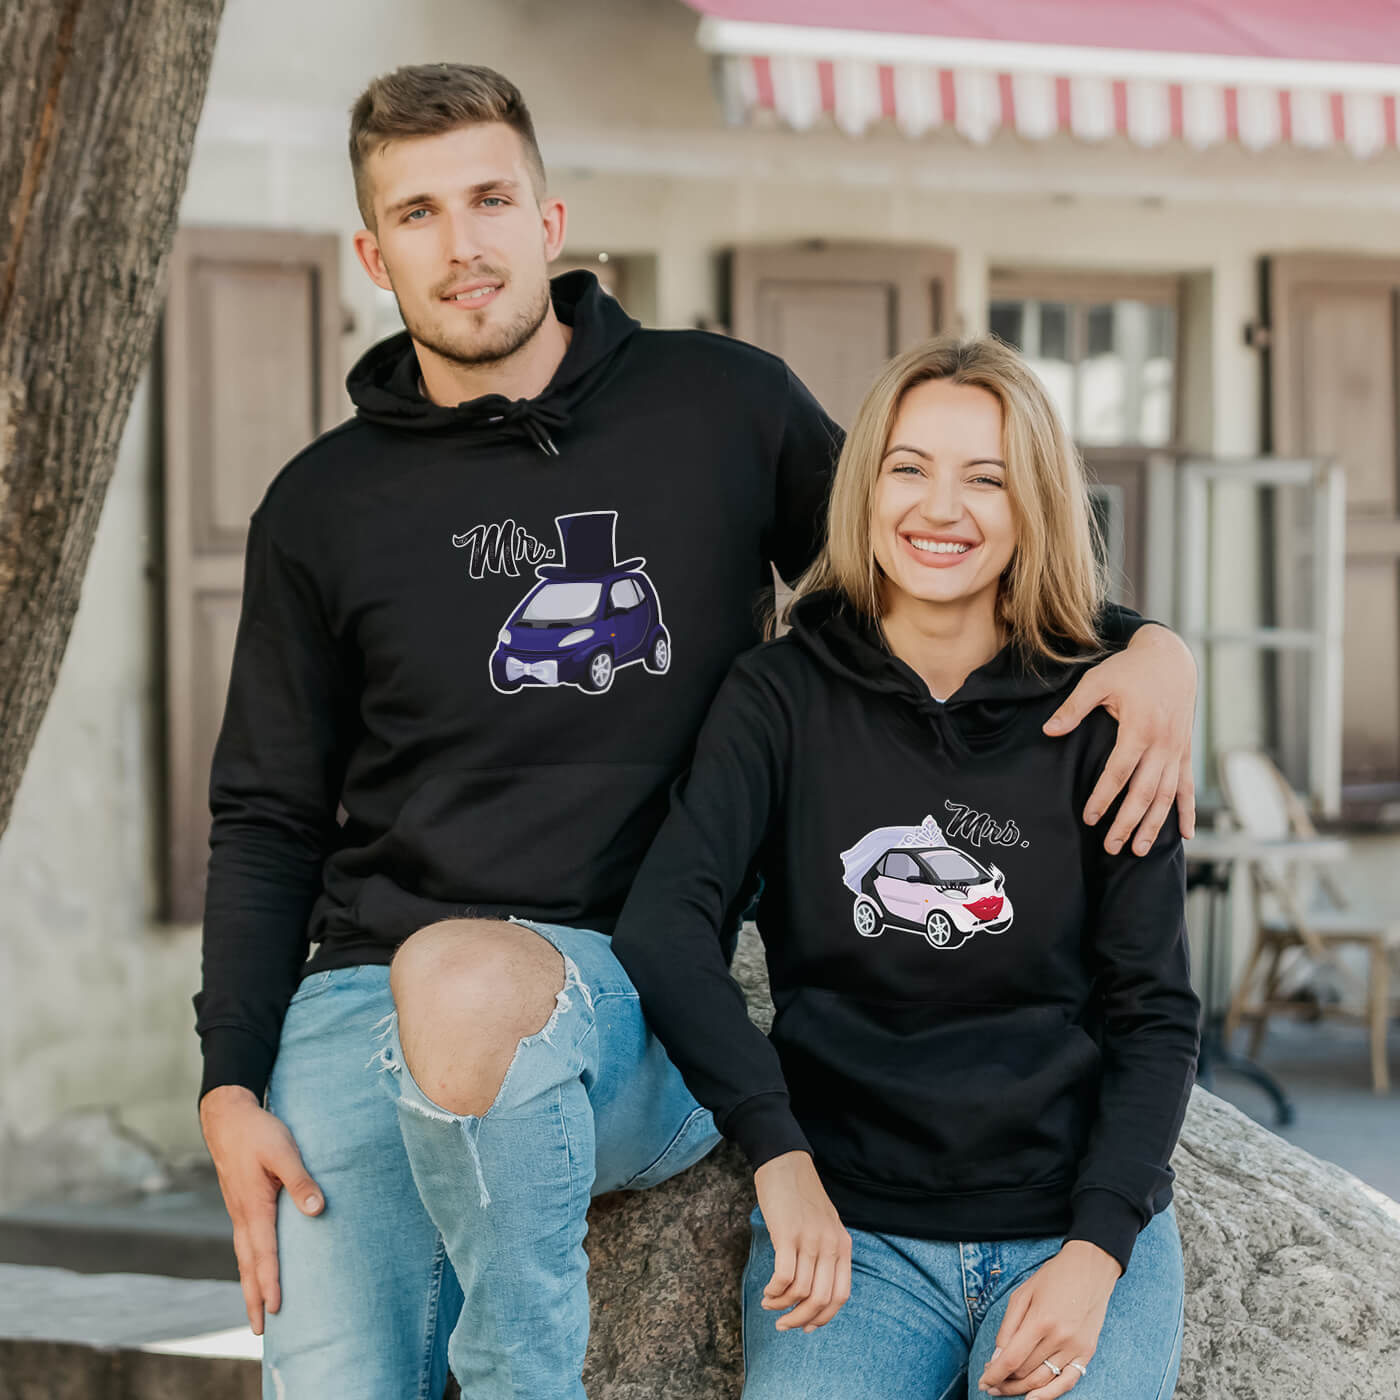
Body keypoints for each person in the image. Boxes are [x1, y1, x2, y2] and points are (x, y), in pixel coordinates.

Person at [194, 64, 1200, 1399]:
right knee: (331, 1381)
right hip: (355, 997)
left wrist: (1146, 644)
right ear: (375, 255)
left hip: (617, 994)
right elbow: (266, 815)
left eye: (491, 198)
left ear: (550, 224)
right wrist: (228, 1085)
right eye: (421, 215)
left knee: (467, 983)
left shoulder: (724, 406)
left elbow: (914, 555)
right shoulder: (318, 506)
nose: (465, 242)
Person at [612, 336, 1199, 1400]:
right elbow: (663, 928)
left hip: (1062, 1228)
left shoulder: (1102, 710)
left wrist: (1095, 1251)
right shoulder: (777, 698)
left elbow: (1154, 1011)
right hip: (856, 1235)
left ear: (1033, 505)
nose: (942, 507)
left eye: (987, 477)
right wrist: (778, 1157)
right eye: (908, 466)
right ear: (864, 484)